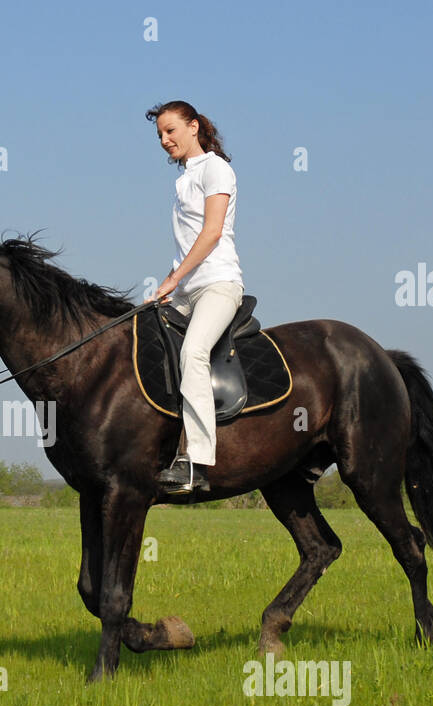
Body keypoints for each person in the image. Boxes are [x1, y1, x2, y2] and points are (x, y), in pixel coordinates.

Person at [147, 101, 244, 494]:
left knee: (193, 353)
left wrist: (173, 278)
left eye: (170, 130)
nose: (164, 140)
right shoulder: (183, 179)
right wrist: (173, 283)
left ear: (194, 127)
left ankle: (196, 463)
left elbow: (212, 232)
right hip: (186, 289)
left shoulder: (216, 168)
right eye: (159, 135)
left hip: (218, 284)